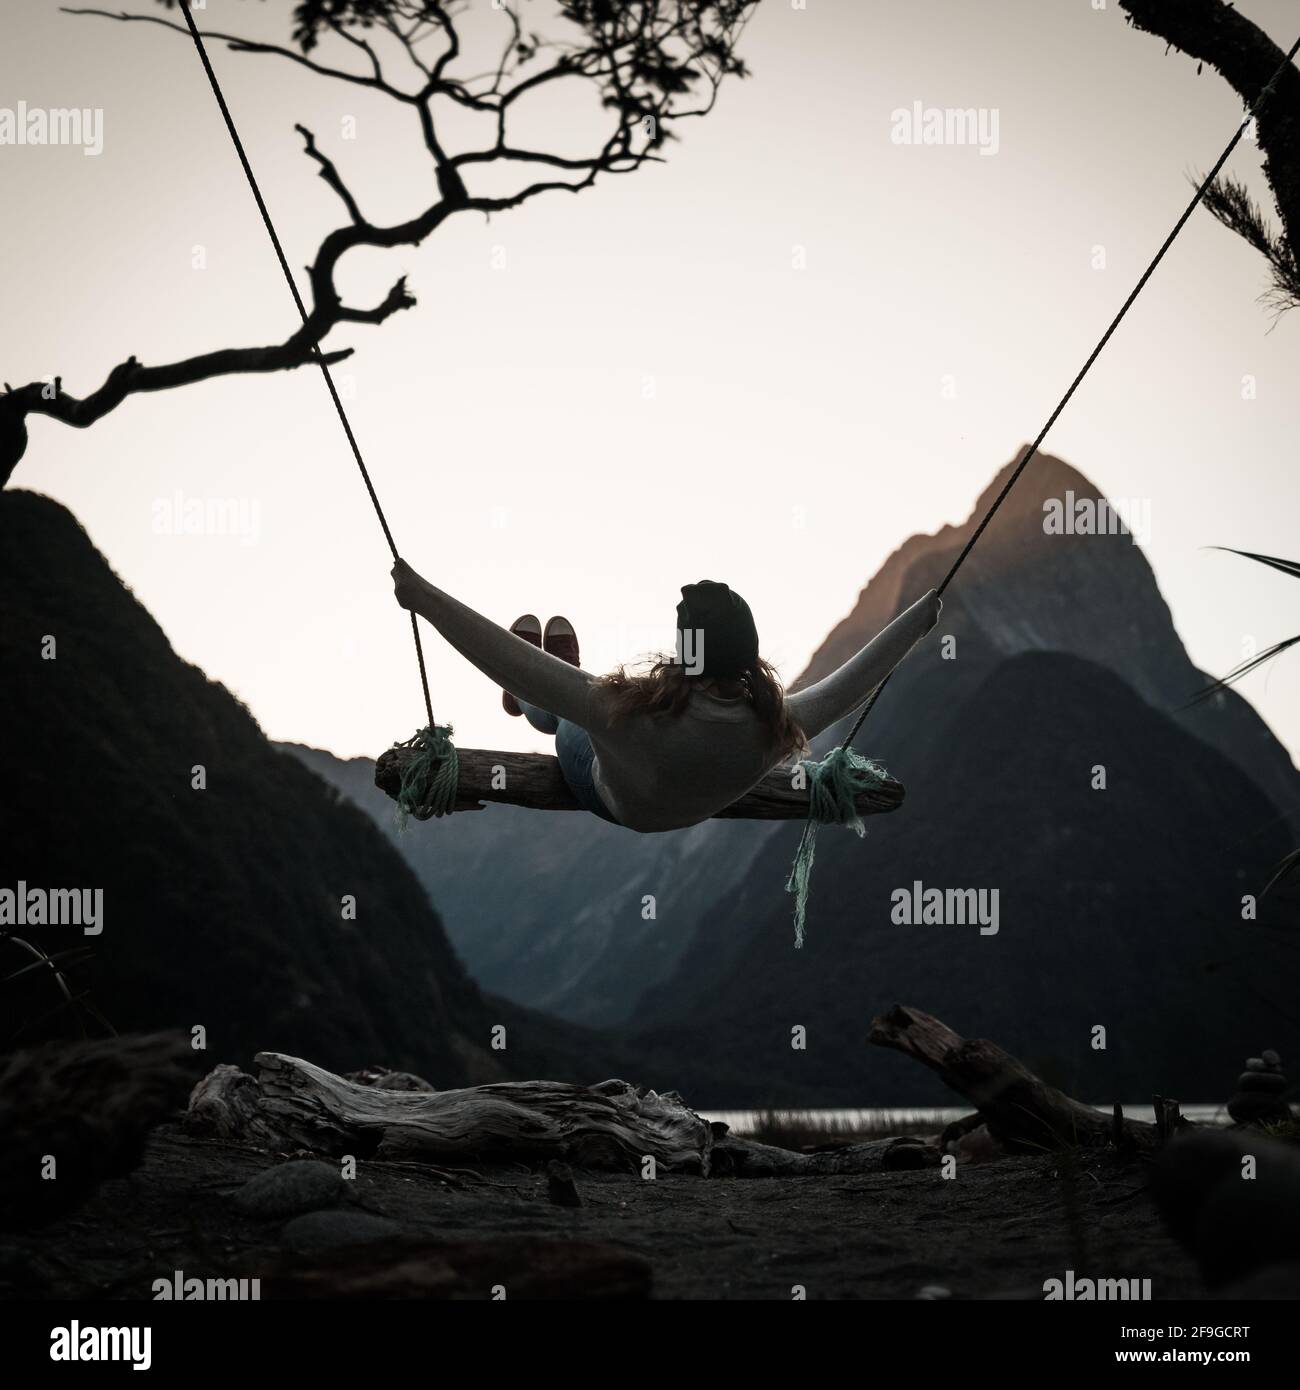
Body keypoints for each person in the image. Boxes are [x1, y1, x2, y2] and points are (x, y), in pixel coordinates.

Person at [392, 560, 941, 833]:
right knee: (574, 696)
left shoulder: (625, 716)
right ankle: (545, 686)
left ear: (685, 651)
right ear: (750, 654)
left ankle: (526, 699)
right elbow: (853, 681)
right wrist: (920, 621)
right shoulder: (780, 723)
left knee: (561, 706)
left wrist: (423, 597)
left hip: (611, 798)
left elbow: (507, 657)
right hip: (695, 808)